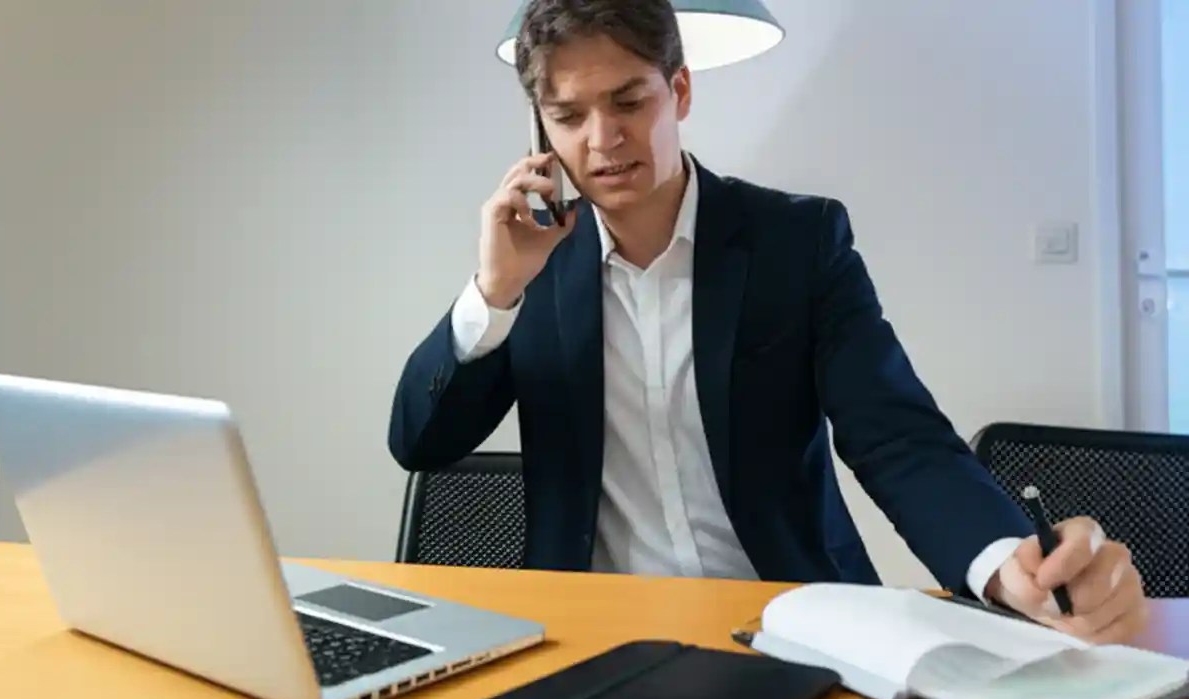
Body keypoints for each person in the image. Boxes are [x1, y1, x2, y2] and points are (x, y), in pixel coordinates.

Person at [387, 0, 1147, 644]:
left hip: (793, 624)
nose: (602, 139)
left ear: (679, 91)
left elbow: (896, 436)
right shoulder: (531, 266)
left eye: (628, 102)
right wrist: (495, 289)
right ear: (539, 130)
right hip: (597, 633)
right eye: (568, 116)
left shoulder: (798, 241)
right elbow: (421, 443)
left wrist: (1000, 560)